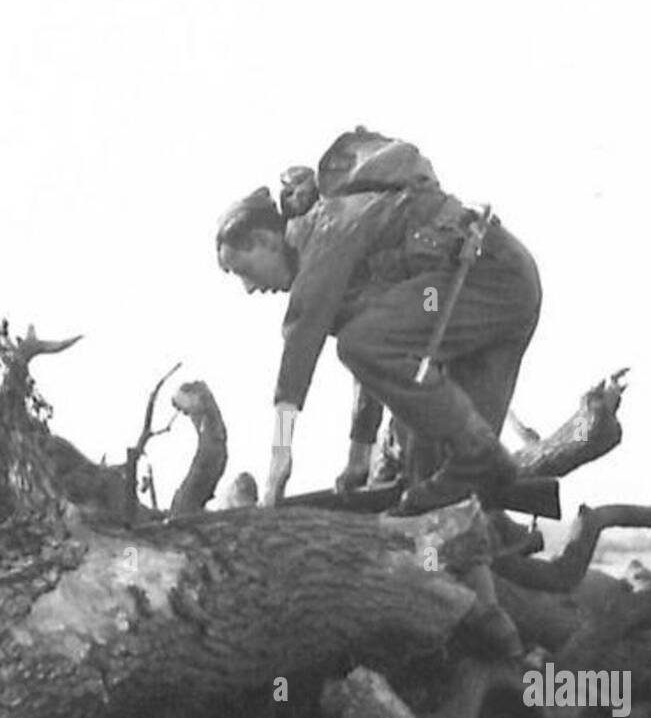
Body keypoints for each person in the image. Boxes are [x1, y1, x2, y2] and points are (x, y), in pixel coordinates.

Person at [216, 128, 542, 514]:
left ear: (266, 240)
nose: (250, 288)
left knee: (362, 344)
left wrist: (279, 457)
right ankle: (468, 537)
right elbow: (381, 345)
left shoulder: (323, 229)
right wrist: (360, 452)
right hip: (474, 294)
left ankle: (478, 453)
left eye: (244, 270)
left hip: (477, 279)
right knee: (445, 492)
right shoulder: (340, 258)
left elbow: (304, 337)